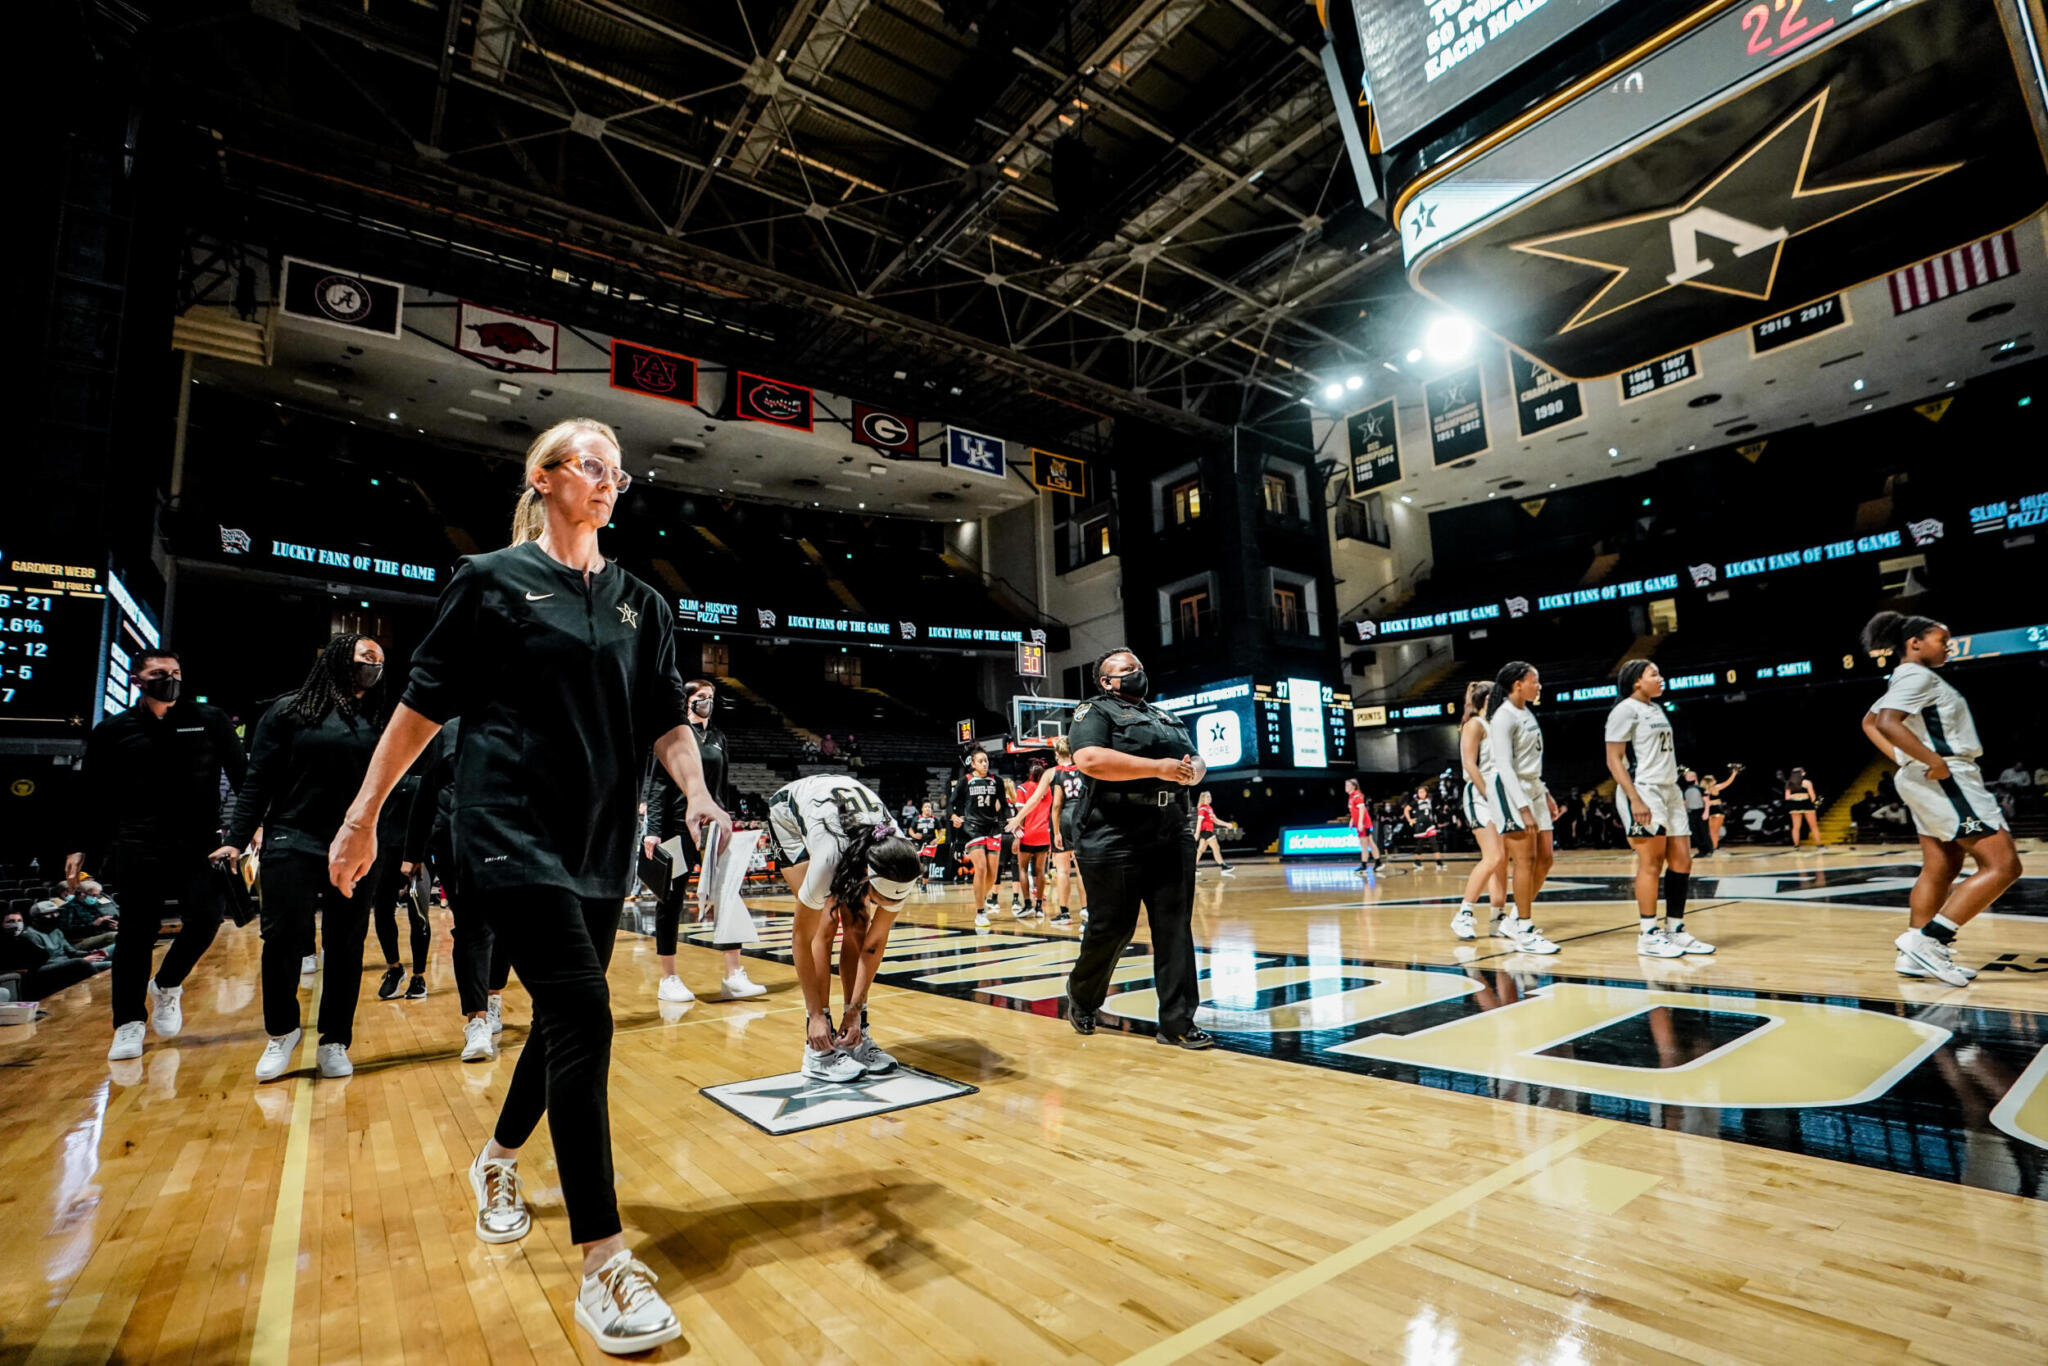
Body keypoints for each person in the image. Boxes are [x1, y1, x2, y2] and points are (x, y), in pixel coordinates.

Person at [328, 417, 731, 1356]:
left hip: (599, 841)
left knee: (561, 1024)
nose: (610, 483)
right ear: (545, 478)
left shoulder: (642, 604)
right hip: (505, 828)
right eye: (594, 467)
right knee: (587, 1017)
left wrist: (700, 794)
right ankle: (604, 1265)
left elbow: (667, 721)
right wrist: (364, 814)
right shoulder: (491, 582)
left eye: (619, 474)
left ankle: (499, 1161)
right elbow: (423, 704)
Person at [227, 633, 397, 1082]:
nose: (374, 666)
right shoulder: (288, 711)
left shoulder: (383, 719)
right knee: (282, 939)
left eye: (379, 661)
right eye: (366, 657)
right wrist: (236, 838)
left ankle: (335, 1040)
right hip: (293, 838)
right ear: (341, 659)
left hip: (358, 846)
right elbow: (257, 780)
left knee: (346, 944)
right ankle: (282, 1032)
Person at [68, 648, 246, 1063]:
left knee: (205, 920)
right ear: (137, 680)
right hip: (138, 843)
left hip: (201, 842)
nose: (170, 678)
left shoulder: (210, 720)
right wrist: (78, 844)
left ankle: (167, 985)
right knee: (135, 934)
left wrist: (248, 829)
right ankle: (128, 1023)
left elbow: (244, 776)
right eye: (159, 672)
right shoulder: (113, 730)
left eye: (176, 672)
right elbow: (89, 792)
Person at [1858, 611, 2024, 987]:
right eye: (1941, 639)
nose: (1947, 646)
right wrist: (1930, 760)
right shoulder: (1917, 675)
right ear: (1914, 644)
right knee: (2004, 864)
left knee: (1942, 865)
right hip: (1947, 774)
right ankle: (1931, 940)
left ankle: (1915, 955)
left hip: (1927, 776)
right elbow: (1885, 722)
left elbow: (1870, 722)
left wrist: (1906, 760)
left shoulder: (1904, 677)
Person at [1063, 648, 1212, 1049]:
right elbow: (1090, 759)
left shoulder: (1163, 715)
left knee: (1173, 926)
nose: (1136, 674)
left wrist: (1194, 770)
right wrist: (1158, 768)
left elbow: (1195, 758)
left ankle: (1177, 1022)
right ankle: (1083, 994)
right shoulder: (1094, 711)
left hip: (1169, 828)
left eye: (1138, 668)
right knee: (1113, 926)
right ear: (1106, 681)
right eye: (1126, 670)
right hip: (1113, 831)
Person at [767, 773, 920, 1080]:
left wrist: (855, 1010)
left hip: (845, 820)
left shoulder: (902, 859)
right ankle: (818, 1050)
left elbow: (873, 945)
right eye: (875, 897)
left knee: (859, 925)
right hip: (791, 815)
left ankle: (856, 1035)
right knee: (826, 920)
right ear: (866, 875)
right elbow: (801, 938)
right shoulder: (829, 858)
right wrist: (815, 1015)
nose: (880, 904)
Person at [641, 678, 763, 1004]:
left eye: (711, 697)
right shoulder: (675, 735)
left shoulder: (719, 737)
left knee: (728, 895)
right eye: (701, 697)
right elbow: (656, 787)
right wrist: (652, 829)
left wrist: (725, 818)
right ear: (687, 701)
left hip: (711, 830)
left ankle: (733, 975)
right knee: (672, 900)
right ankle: (668, 978)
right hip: (676, 830)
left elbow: (722, 785)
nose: (708, 701)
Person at [402, 717, 514, 1062]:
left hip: (507, 836)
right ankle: (476, 1020)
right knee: (471, 928)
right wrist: (412, 853)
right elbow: (426, 791)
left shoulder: (520, 723)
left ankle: (493, 998)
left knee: (505, 926)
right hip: (457, 842)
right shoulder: (448, 730)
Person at [1605, 662, 1715, 959]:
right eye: (1653, 674)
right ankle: (1648, 934)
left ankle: (1675, 929)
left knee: (1682, 860)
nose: (1661, 678)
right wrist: (1635, 798)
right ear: (1636, 682)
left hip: (1668, 790)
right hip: (1644, 790)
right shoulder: (1625, 710)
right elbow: (1614, 760)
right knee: (1651, 863)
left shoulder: (1655, 708)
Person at [1486, 661, 1561, 955]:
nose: (1539, 686)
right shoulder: (1503, 716)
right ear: (1518, 684)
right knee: (1525, 860)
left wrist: (1545, 792)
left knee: (1546, 858)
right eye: (1535, 681)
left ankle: (1515, 919)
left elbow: (1530, 763)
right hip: (1510, 791)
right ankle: (1525, 929)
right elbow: (1504, 766)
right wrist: (1523, 807)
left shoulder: (1526, 712)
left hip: (1533, 787)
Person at [369, 758, 431, 1002]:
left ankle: (419, 976)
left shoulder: (428, 761)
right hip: (385, 849)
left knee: (419, 914)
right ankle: (394, 969)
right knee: (382, 912)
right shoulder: (383, 761)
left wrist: (420, 853)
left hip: (419, 852)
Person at [1452, 682, 1508, 940]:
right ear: (1488, 698)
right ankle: (1463, 914)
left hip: (1499, 795)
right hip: (1480, 795)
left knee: (1501, 860)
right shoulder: (1474, 724)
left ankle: (1498, 919)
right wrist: (1489, 794)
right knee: (1493, 856)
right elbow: (1470, 766)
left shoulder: (1495, 725)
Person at [949, 749, 1011, 926]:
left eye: (986, 760)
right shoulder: (965, 781)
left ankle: (981, 897)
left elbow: (1004, 805)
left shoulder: (996, 781)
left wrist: (1011, 819)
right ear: (973, 764)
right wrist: (953, 816)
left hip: (992, 827)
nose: (985, 763)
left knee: (992, 875)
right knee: (981, 869)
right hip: (972, 827)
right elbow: (951, 803)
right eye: (981, 761)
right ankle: (980, 912)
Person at [1, 908, 108, 1000]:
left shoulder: (21, 938)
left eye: (19, 920)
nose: (16, 924)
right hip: (26, 974)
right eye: (11, 921)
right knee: (80, 963)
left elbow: (42, 955)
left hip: (36, 970)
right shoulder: (24, 936)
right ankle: (99, 994)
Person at [1005, 759, 1055, 917]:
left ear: (1028, 773)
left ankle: (1027, 905)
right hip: (1044, 834)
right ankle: (1039, 907)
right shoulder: (1048, 789)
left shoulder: (1022, 788)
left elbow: (1021, 817)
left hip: (1027, 834)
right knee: (1040, 871)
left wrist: (1017, 837)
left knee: (1022, 869)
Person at [1047, 736, 1088, 927]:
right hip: (1082, 818)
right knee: (1082, 871)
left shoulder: (1058, 773)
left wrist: (1056, 832)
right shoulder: (1083, 769)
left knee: (1062, 871)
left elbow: (1056, 806)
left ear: (1058, 753)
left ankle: (1064, 913)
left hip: (1064, 820)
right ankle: (1086, 910)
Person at [1404, 784, 1446, 872]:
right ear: (1417, 794)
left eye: (1423, 792)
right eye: (1420, 792)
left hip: (1430, 825)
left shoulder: (1429, 801)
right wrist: (1409, 819)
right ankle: (1417, 861)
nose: (1421, 793)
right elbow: (1406, 809)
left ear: (1426, 793)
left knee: (1434, 842)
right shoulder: (1415, 802)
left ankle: (1439, 862)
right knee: (1420, 844)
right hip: (1420, 825)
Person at [1192, 791, 1234, 875]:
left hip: (1207, 831)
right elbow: (1199, 821)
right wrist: (1196, 833)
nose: (1209, 798)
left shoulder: (1209, 808)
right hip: (1206, 831)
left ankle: (1192, 868)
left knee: (1201, 850)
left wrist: (1227, 824)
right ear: (1203, 798)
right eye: (1207, 797)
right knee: (1216, 847)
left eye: (1209, 796)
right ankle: (1223, 867)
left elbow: (1216, 821)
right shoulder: (1202, 808)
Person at [1345, 778, 1382, 872]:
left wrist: (1361, 822)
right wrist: (1352, 820)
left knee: (1364, 844)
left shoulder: (1357, 795)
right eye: (1346, 785)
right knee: (1369, 843)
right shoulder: (1351, 796)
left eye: (1348, 785)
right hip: (1360, 823)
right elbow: (1354, 811)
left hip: (1363, 823)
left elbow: (1362, 809)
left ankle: (1365, 865)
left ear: (1353, 786)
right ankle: (1377, 862)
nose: (1346, 787)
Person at [1784, 767, 1821, 848]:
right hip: (1806, 804)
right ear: (1802, 773)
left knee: (1796, 827)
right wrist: (1816, 804)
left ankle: (1796, 846)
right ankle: (1819, 845)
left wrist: (1795, 796)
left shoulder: (1789, 783)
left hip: (1794, 805)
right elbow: (1812, 796)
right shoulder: (1807, 782)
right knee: (1813, 826)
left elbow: (1787, 797)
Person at [910, 801, 940, 893]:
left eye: (929, 807)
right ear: (922, 809)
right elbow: (910, 829)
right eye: (926, 807)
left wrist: (937, 839)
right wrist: (914, 835)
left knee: (926, 866)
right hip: (918, 844)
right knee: (916, 864)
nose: (928, 809)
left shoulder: (935, 819)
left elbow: (941, 830)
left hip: (930, 845)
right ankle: (912, 883)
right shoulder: (917, 818)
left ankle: (924, 885)